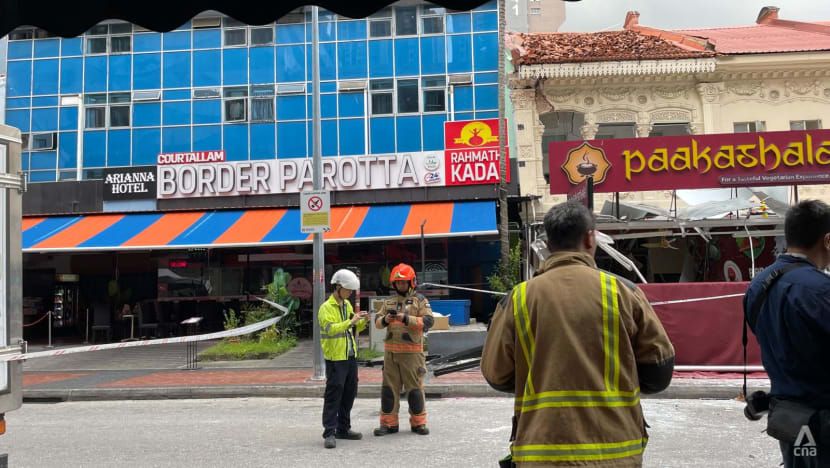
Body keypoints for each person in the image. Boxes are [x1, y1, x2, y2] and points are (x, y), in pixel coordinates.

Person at [481, 201, 675, 467]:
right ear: (589, 238)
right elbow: (658, 374)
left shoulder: (518, 299)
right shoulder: (624, 292)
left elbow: (496, 374)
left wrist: (539, 371)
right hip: (616, 452)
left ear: (548, 245)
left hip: (542, 453)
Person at [743, 200, 830, 468]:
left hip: (789, 423)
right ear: (827, 240)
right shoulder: (820, 290)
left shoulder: (757, 286)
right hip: (823, 423)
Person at [373, 263, 434, 436]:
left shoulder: (420, 301)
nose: (401, 286)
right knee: (388, 390)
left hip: (412, 355)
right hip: (391, 355)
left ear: (411, 282)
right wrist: (386, 319)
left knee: (414, 389)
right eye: (398, 283)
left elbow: (428, 322)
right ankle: (388, 424)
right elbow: (377, 323)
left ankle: (418, 423)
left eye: (404, 282)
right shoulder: (388, 302)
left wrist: (406, 319)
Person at [318, 269, 368, 449]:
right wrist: (351, 322)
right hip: (335, 358)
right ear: (338, 287)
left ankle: (343, 428)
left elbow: (352, 326)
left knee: (349, 393)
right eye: (347, 290)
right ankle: (329, 432)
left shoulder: (346, 305)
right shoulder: (326, 308)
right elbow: (332, 329)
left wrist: (363, 320)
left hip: (349, 355)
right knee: (334, 394)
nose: (349, 293)